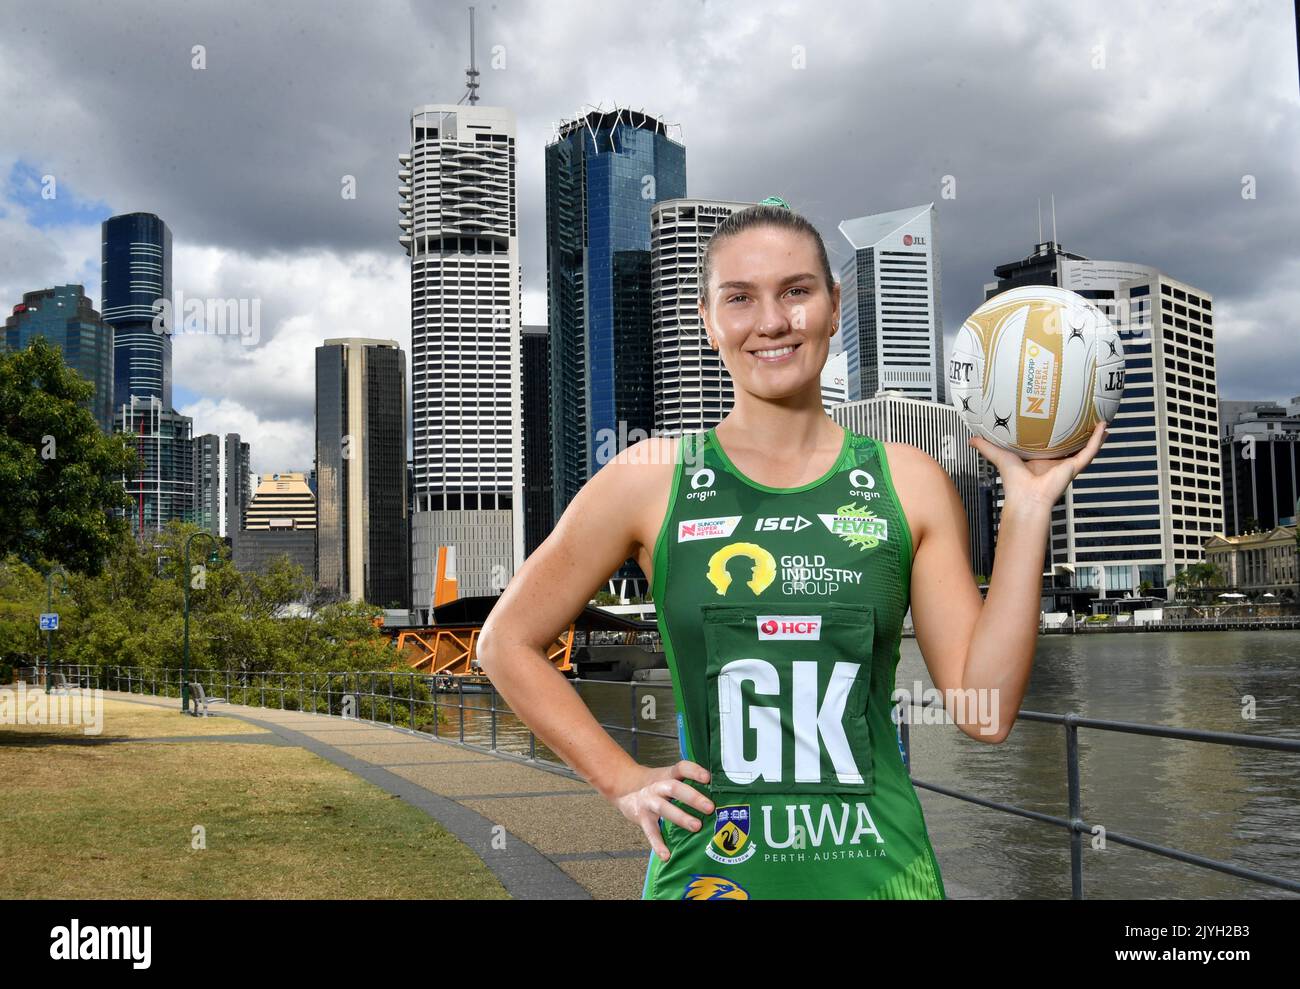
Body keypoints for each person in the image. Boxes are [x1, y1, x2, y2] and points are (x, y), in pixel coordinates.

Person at [477, 197, 1107, 899]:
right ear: (707, 320)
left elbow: (983, 713)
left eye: (796, 292)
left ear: (835, 308)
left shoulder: (909, 480)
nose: (771, 321)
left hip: (881, 876)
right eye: (740, 298)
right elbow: (505, 642)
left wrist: (1026, 507)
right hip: (710, 877)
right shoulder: (648, 478)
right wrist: (621, 776)